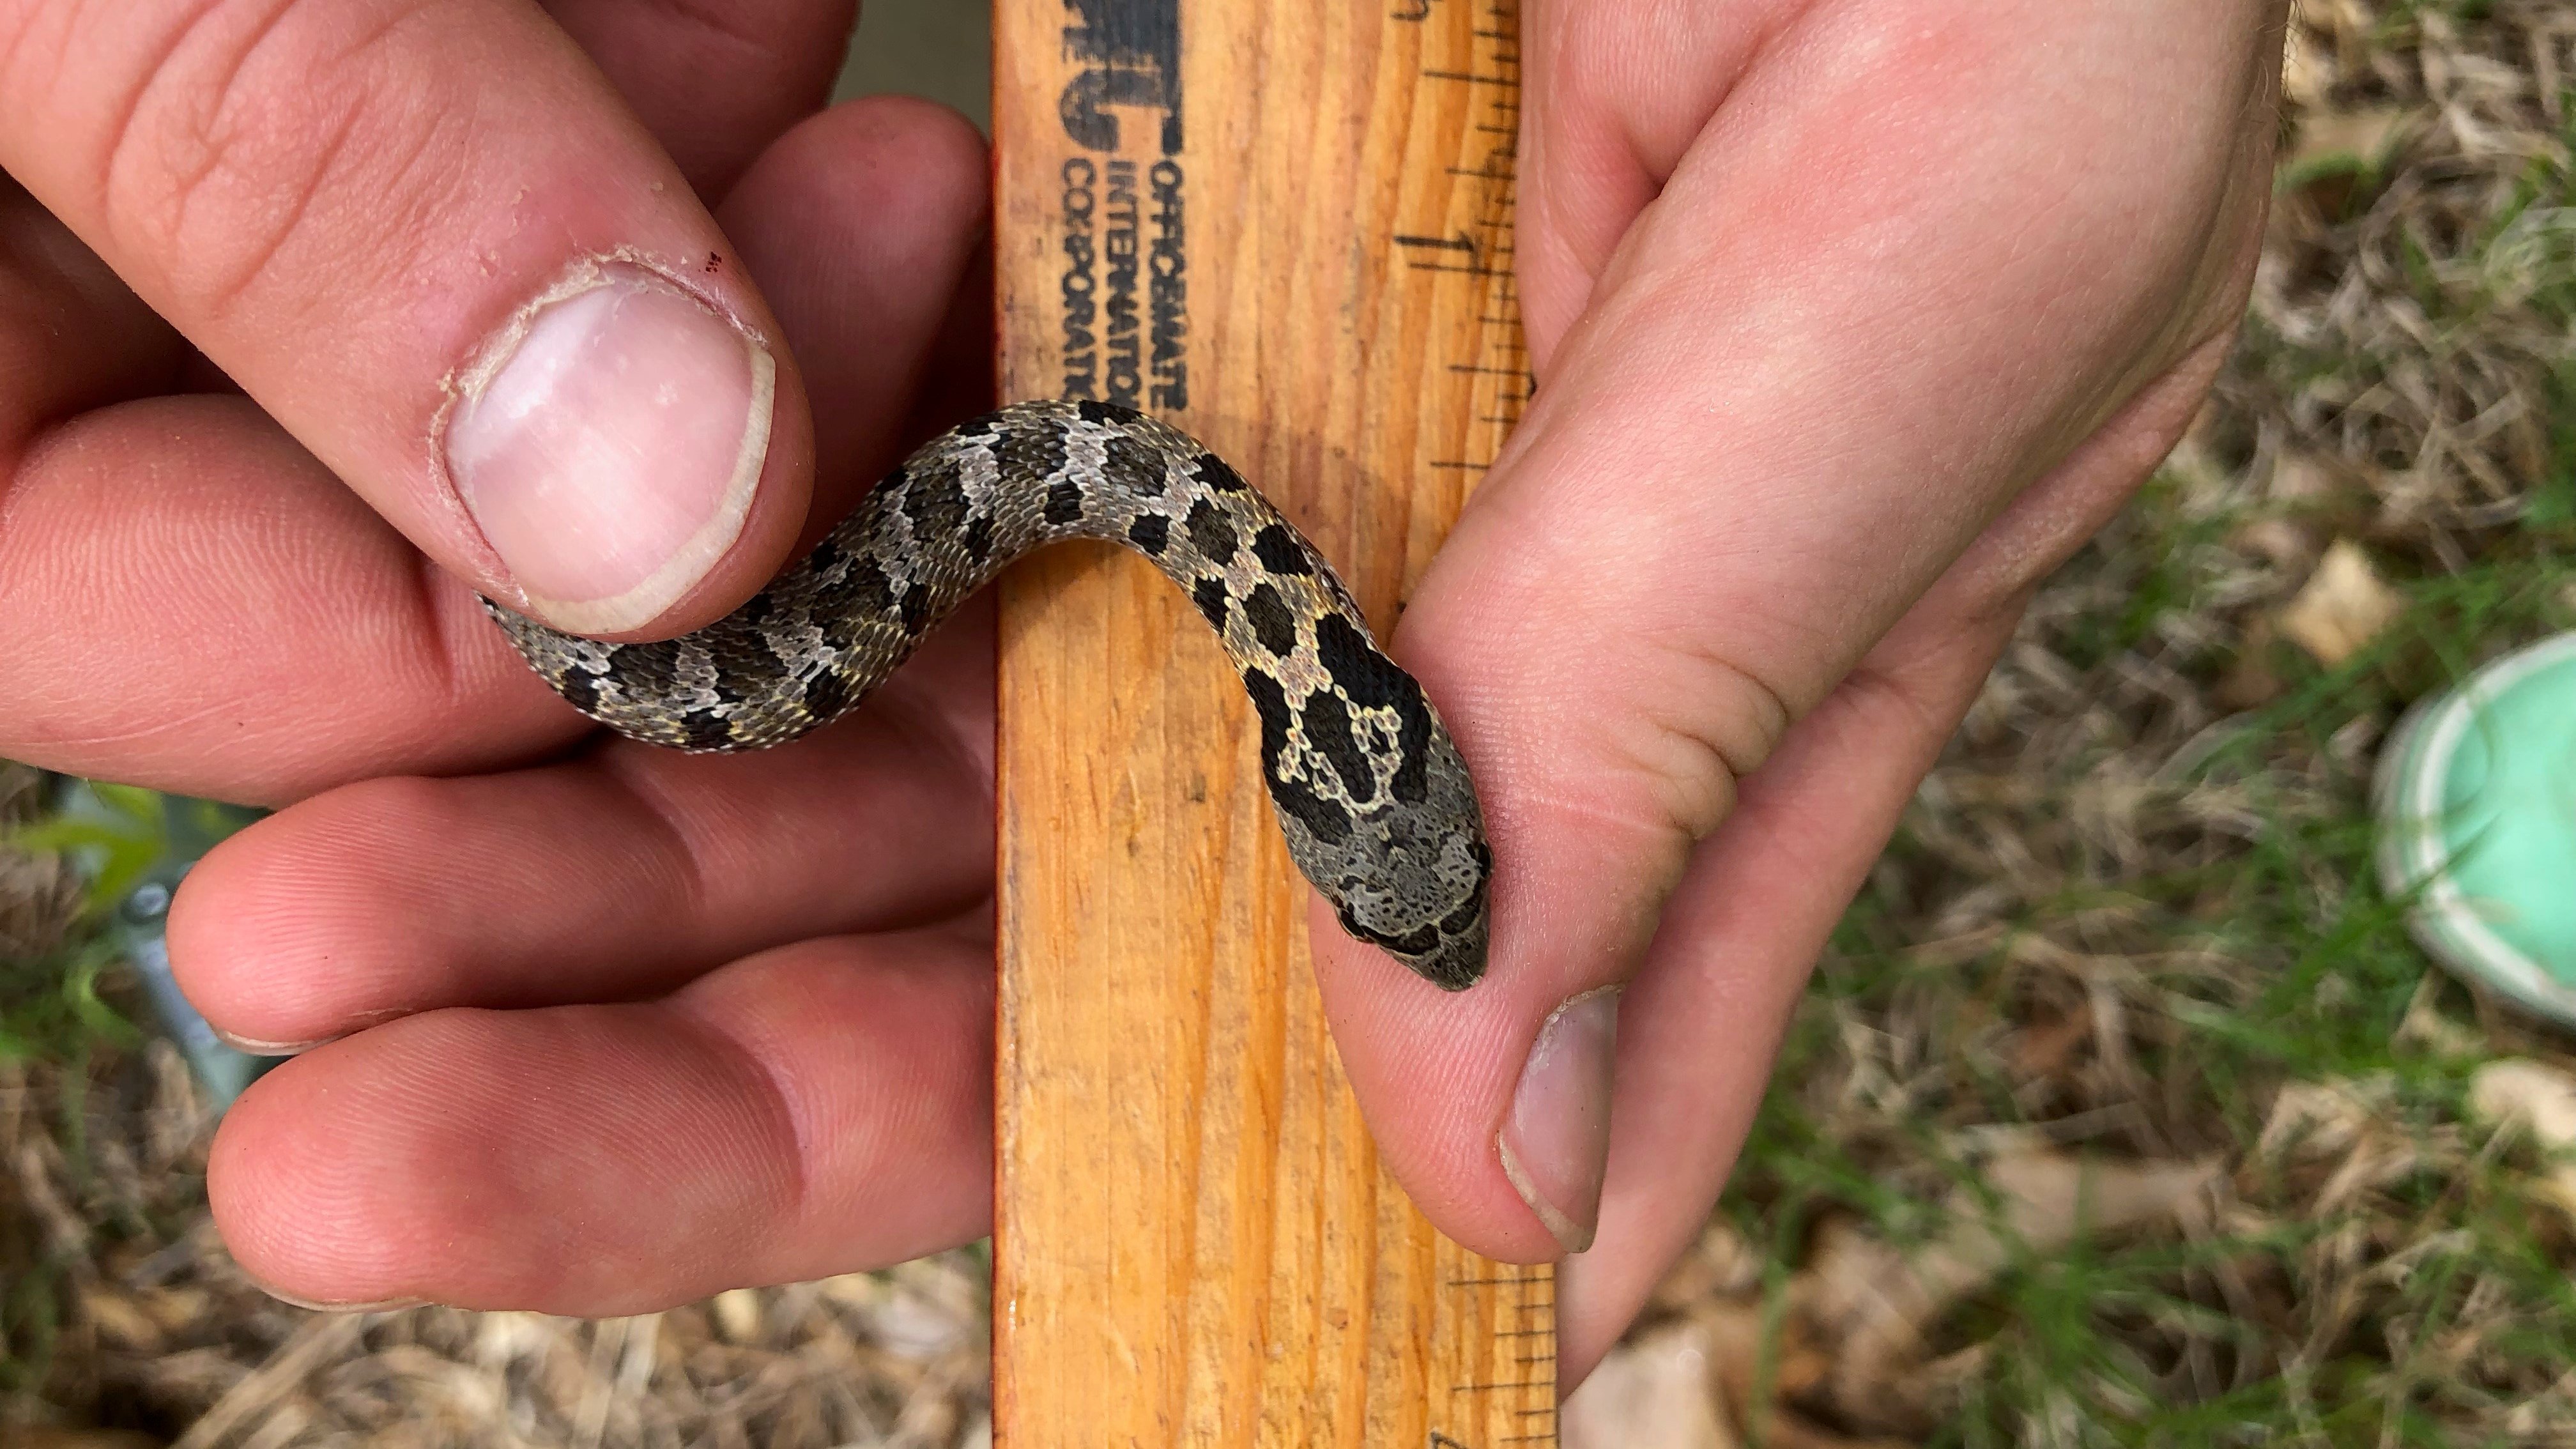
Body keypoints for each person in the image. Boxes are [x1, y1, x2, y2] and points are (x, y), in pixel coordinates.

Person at [0, 0, 2287, 1388]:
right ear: (1350, 734)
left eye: (1401, 894)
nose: (1437, 923)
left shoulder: (1246, 576)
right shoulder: (1209, 569)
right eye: (1419, 885)